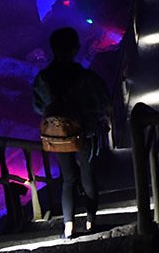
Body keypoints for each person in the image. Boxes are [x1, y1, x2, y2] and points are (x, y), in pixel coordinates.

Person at [32, 27, 112, 238]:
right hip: (84, 133)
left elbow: (38, 106)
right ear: (76, 48)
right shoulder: (85, 77)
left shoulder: (43, 78)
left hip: (58, 134)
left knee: (67, 179)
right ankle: (90, 221)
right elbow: (101, 100)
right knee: (87, 175)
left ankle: (68, 227)